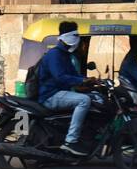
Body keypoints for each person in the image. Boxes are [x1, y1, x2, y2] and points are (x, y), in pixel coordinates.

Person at [38, 21, 99, 157]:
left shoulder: (65, 55)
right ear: (68, 38)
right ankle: (71, 141)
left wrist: (92, 82)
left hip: (60, 93)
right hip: (51, 95)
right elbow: (60, 77)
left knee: (92, 96)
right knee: (84, 100)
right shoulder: (54, 55)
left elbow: (74, 75)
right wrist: (81, 80)